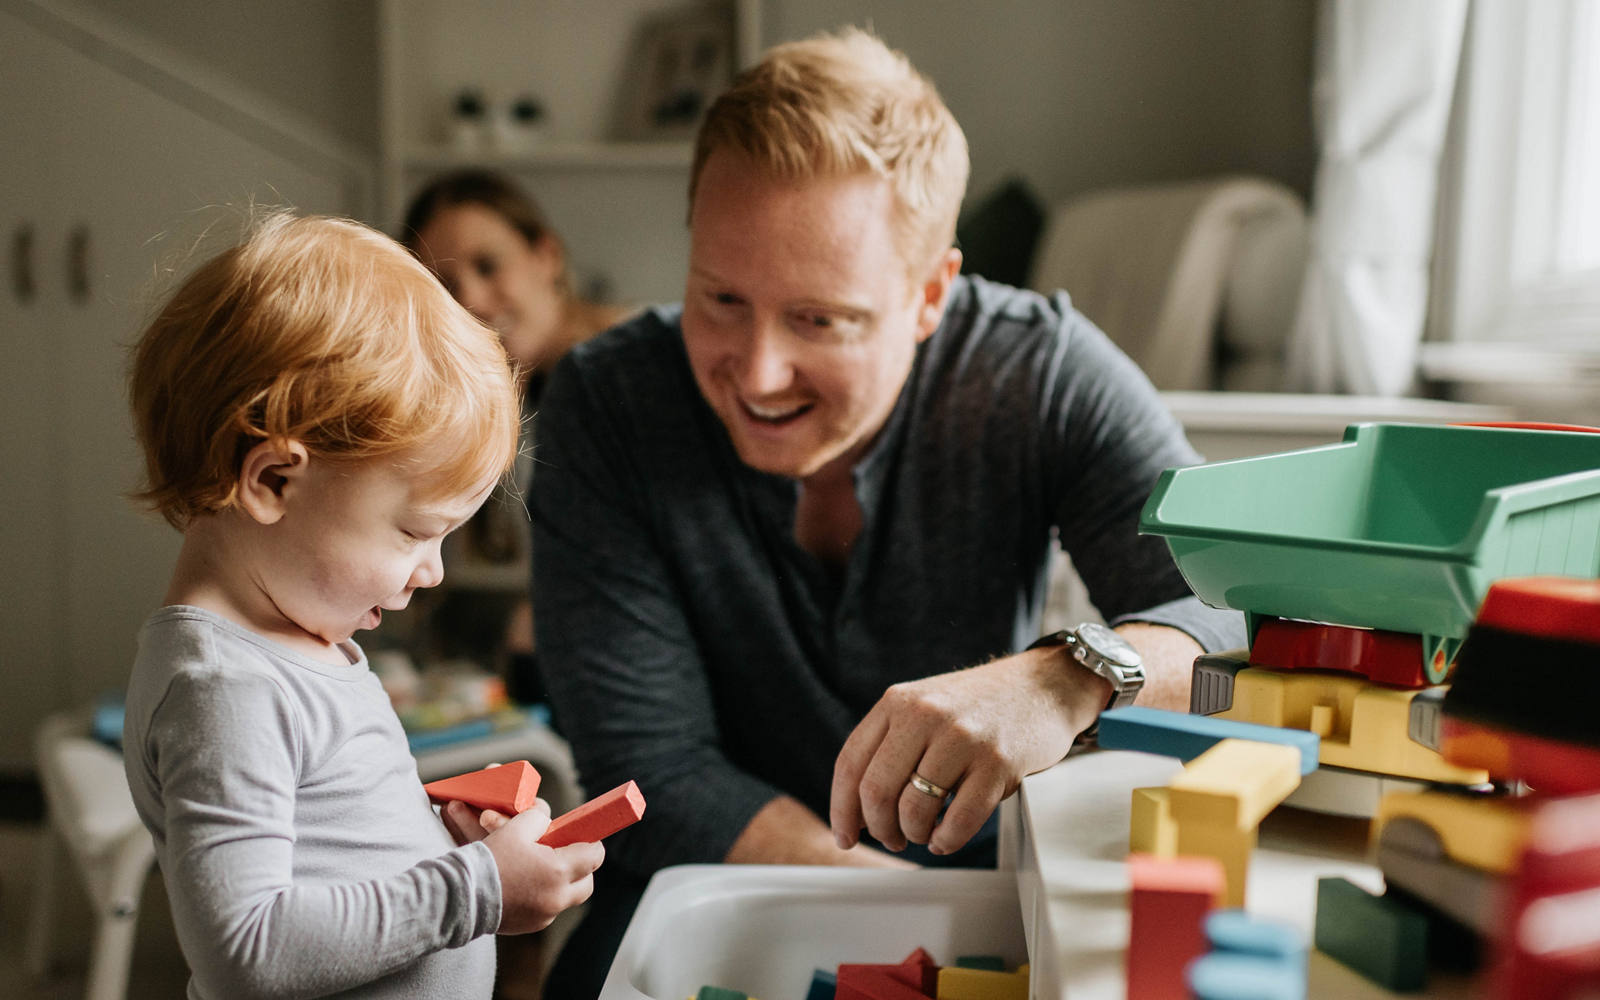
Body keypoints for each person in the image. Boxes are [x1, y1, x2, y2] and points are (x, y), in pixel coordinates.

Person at [530, 28, 1247, 995]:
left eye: (820, 319)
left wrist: (1064, 679)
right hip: (696, 880)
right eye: (721, 298)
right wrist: (896, 923)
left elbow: (1235, 619)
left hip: (976, 880)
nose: (759, 369)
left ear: (930, 296)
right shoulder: (606, 403)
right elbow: (651, 770)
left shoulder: (1041, 373)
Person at [121, 212, 604, 999]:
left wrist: (427, 836)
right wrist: (473, 889)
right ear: (273, 481)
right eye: (416, 532)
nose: (432, 573)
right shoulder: (226, 690)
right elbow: (245, 949)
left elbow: (321, 851)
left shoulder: (289, 644)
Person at [400, 170, 632, 681]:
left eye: (488, 265)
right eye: (444, 283)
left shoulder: (622, 377)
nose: (473, 301)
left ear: (546, 256)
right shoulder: (479, 406)